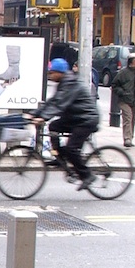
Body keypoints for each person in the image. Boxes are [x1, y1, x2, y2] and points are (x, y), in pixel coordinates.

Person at [29, 58, 100, 191]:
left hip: (86, 120)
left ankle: (87, 175)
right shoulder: (64, 82)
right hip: (75, 118)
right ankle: (60, 157)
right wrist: (35, 114)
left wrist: (43, 117)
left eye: (52, 73)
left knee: (72, 149)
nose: (50, 75)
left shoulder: (70, 83)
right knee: (53, 126)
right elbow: (53, 101)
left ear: (59, 72)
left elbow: (59, 104)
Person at [110, 52, 135, 148]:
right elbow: (114, 85)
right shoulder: (123, 72)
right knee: (128, 117)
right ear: (133, 61)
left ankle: (130, 137)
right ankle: (127, 138)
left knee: (132, 119)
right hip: (125, 100)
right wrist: (122, 93)